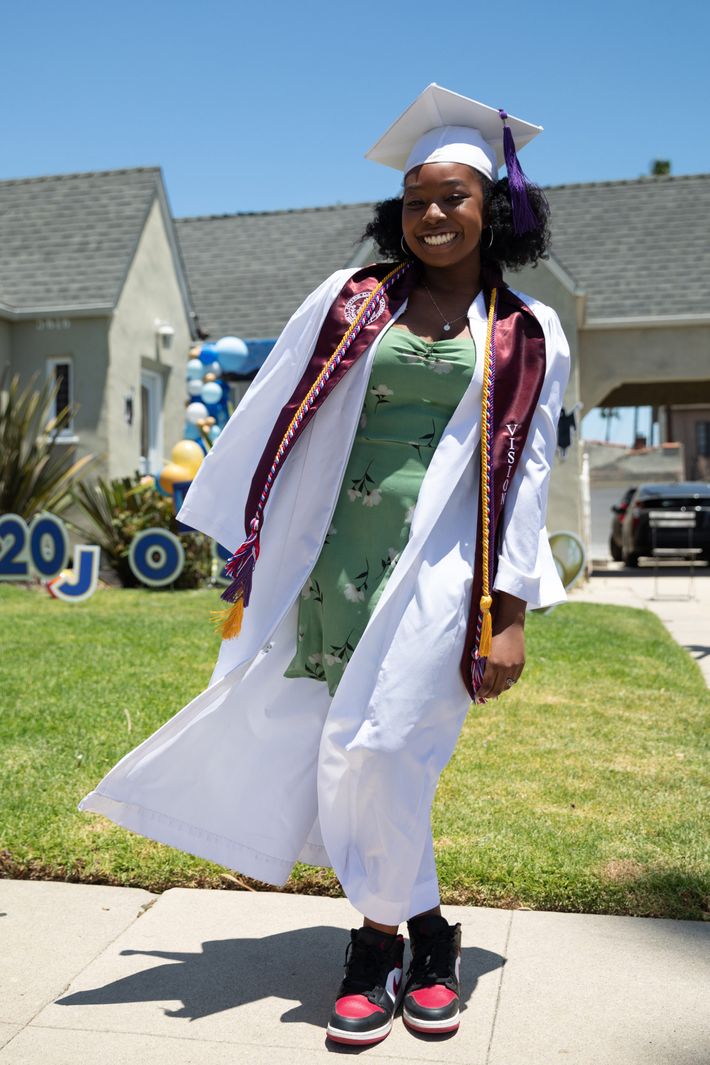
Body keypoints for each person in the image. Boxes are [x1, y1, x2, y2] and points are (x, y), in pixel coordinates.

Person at [79, 84, 570, 1048]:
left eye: (455, 197)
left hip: (442, 573)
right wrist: (246, 535)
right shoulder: (349, 301)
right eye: (417, 198)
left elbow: (533, 477)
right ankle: (431, 940)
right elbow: (268, 411)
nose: (433, 214)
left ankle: (374, 946)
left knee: (383, 747)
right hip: (328, 560)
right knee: (351, 753)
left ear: (494, 209)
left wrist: (508, 608)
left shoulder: (530, 333)